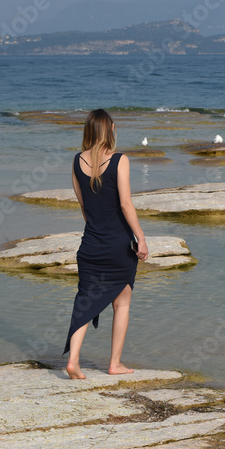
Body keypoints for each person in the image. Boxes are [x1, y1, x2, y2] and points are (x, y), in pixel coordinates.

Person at [63, 108, 149, 379]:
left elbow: (84, 206)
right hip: (118, 247)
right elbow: (125, 204)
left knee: (85, 301)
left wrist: (96, 230)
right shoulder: (120, 160)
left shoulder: (76, 161)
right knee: (121, 303)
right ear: (109, 129)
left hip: (90, 246)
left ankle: (73, 361)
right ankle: (115, 364)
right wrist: (141, 238)